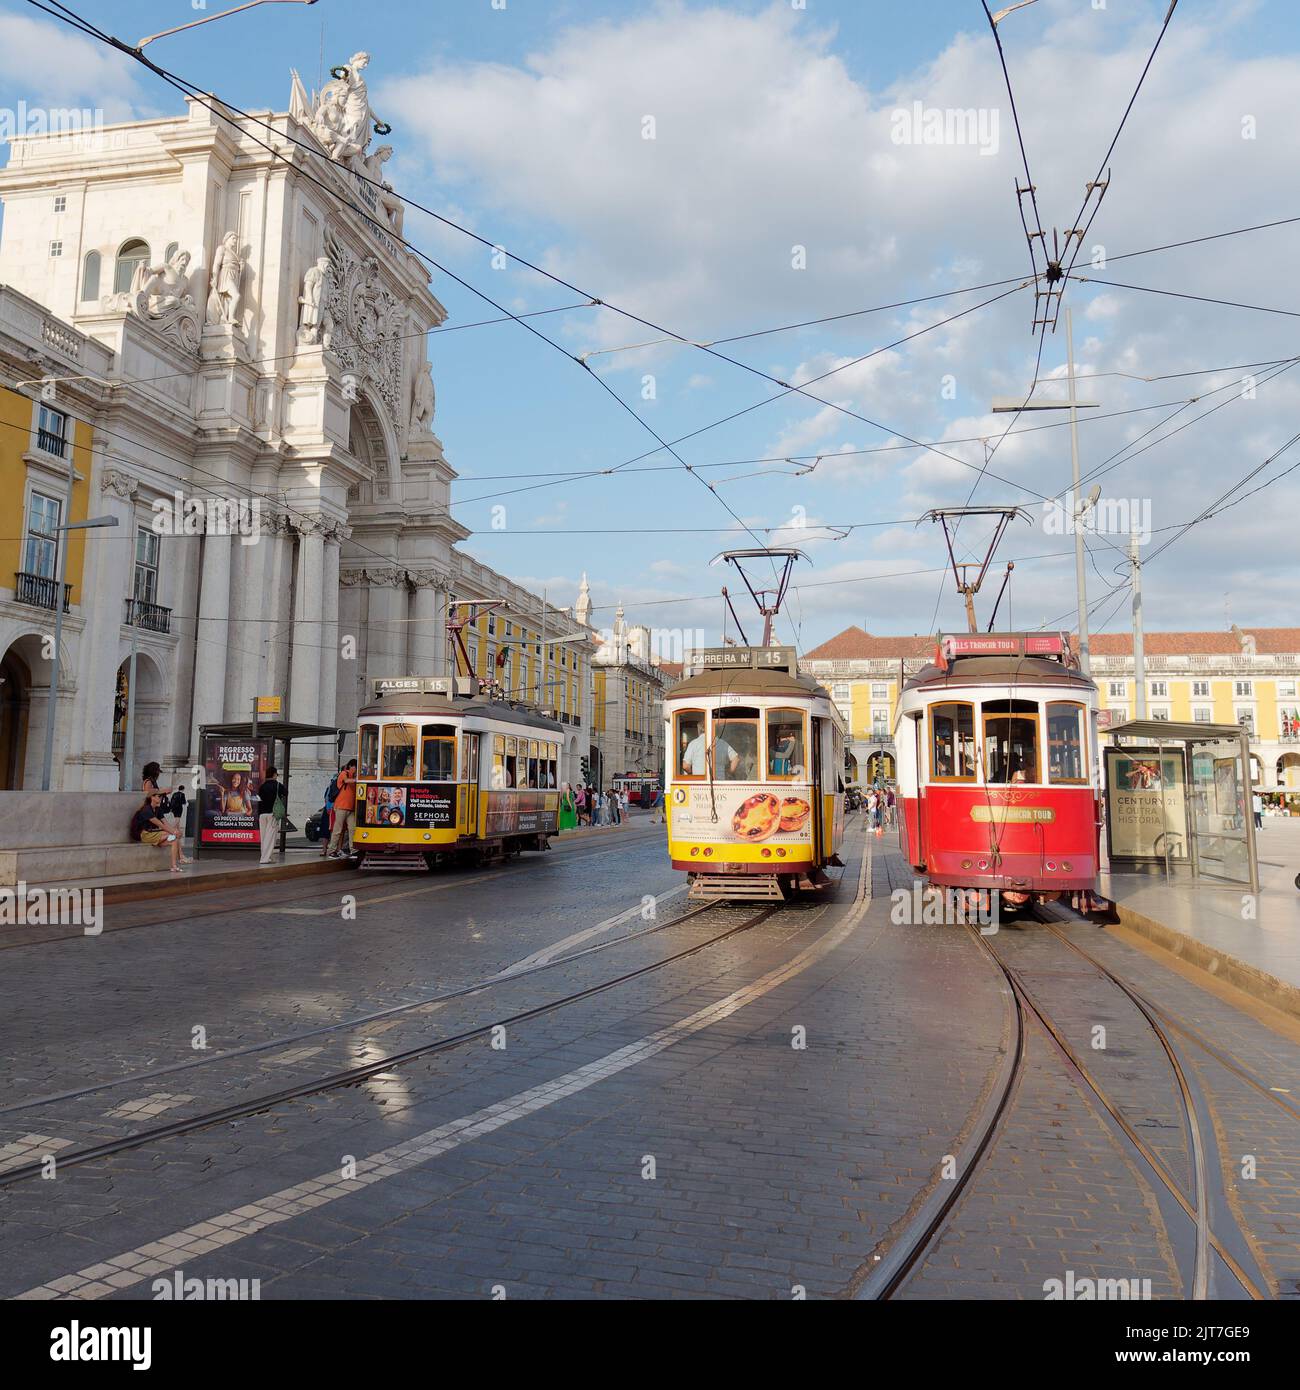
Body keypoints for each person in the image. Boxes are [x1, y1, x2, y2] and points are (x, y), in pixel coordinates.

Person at [131, 792, 184, 873]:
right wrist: (174, 832)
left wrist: (175, 831)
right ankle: (181, 858)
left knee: (174, 840)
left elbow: (165, 823)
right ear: (152, 797)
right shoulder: (146, 810)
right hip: (145, 835)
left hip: (154, 834)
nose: (161, 798)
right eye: (159, 796)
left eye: (161, 796)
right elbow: (160, 825)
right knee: (172, 835)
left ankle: (174, 866)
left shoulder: (158, 809)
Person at [327, 759, 358, 858]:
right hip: (341, 806)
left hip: (350, 808)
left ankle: (353, 850)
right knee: (338, 829)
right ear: (351, 766)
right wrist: (358, 779)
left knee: (352, 829)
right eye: (356, 767)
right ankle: (332, 850)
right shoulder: (344, 774)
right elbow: (346, 781)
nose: (356, 770)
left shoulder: (353, 777)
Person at [258, 764, 285, 866]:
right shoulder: (277, 785)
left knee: (264, 836)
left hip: (262, 814)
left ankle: (265, 856)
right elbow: (286, 792)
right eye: (276, 774)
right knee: (270, 837)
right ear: (274, 775)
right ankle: (265, 858)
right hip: (272, 814)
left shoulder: (262, 786)